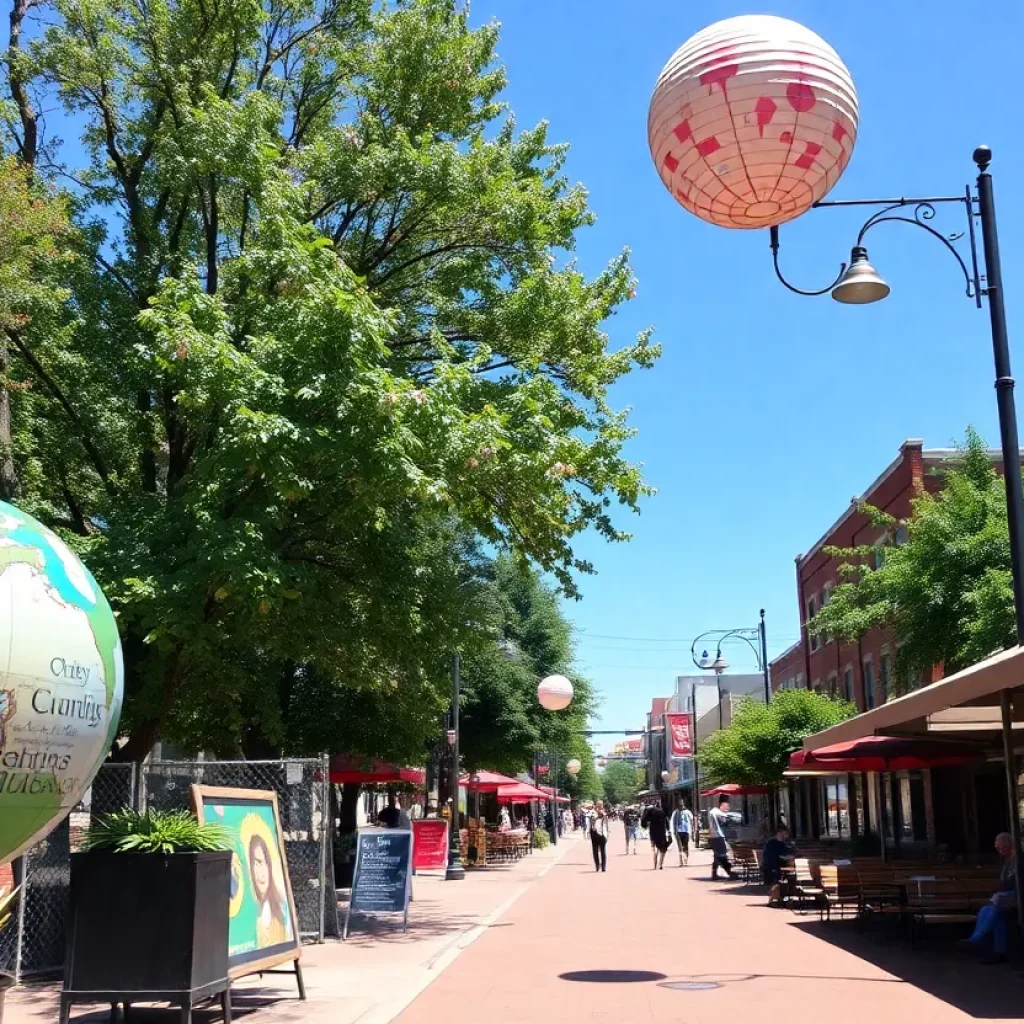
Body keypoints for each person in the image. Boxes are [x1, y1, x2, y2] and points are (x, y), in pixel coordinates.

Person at [959, 832, 1018, 964]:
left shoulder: (1019, 860)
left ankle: (977, 939)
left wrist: (1002, 894)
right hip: (1007, 897)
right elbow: (1004, 883)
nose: (997, 849)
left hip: (1018, 897)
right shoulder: (1007, 861)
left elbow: (1018, 884)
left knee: (996, 906)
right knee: (987, 910)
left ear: (1008, 845)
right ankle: (998, 951)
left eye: (1000, 846)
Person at [249, 833, 290, 948]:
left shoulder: (282, 906)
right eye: (256, 864)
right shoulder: (251, 913)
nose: (261, 873)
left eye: (264, 863)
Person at [707, 796, 742, 880]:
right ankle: (729, 872)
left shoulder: (712, 812)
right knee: (722, 855)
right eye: (727, 805)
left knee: (717, 856)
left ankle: (714, 874)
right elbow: (726, 821)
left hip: (713, 836)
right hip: (719, 836)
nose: (728, 808)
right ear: (722, 804)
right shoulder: (718, 813)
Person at [641, 803, 670, 870]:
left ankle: (655, 864)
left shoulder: (651, 812)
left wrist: (645, 826)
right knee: (662, 849)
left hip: (653, 833)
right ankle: (660, 864)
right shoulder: (663, 812)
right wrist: (668, 830)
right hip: (662, 833)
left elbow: (644, 821)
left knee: (654, 848)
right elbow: (667, 822)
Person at [669, 800, 695, 866]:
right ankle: (681, 861)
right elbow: (673, 822)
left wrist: (692, 830)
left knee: (685, 846)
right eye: (680, 805)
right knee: (680, 847)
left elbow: (692, 820)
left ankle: (686, 860)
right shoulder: (675, 812)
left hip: (686, 831)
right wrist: (673, 831)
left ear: (684, 805)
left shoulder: (688, 812)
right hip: (678, 832)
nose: (681, 807)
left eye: (682, 805)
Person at [590, 801, 609, 872]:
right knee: (595, 850)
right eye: (598, 805)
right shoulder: (593, 813)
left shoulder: (604, 813)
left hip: (602, 833)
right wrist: (598, 816)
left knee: (602, 850)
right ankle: (598, 865)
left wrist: (607, 833)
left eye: (601, 805)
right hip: (595, 833)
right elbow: (592, 821)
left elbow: (606, 823)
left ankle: (603, 866)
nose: (599, 806)